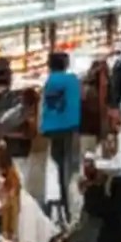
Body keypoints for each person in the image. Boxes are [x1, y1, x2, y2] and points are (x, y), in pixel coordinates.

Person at [40, 51, 82, 220]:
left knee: (57, 164)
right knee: (69, 168)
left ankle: (62, 203)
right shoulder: (73, 80)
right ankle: (68, 206)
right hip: (71, 127)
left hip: (52, 129)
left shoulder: (50, 81)